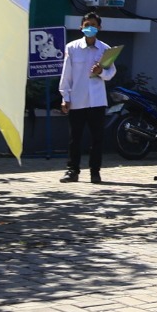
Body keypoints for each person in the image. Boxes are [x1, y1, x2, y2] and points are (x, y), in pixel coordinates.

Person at [58, 12, 116, 185]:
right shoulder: (72, 48)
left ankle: (95, 172)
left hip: (97, 100)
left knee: (97, 138)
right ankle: (72, 170)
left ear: (99, 27)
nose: (89, 28)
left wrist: (101, 72)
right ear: (81, 27)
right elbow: (66, 74)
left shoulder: (106, 49)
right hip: (77, 99)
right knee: (75, 138)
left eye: (93, 25)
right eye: (86, 25)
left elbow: (111, 73)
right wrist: (65, 97)